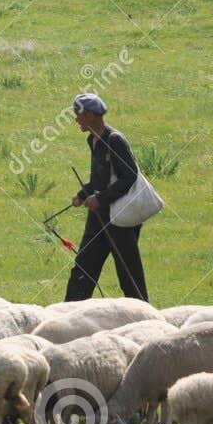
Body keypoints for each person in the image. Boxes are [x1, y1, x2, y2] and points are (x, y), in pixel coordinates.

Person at [64, 93, 149, 303]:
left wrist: (100, 198)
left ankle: (146, 320)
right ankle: (67, 316)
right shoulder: (93, 140)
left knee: (129, 275)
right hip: (98, 218)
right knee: (83, 269)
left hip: (120, 219)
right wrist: (83, 194)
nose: (76, 119)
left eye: (79, 114)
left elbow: (130, 176)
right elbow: (101, 179)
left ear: (92, 115)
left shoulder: (115, 140)